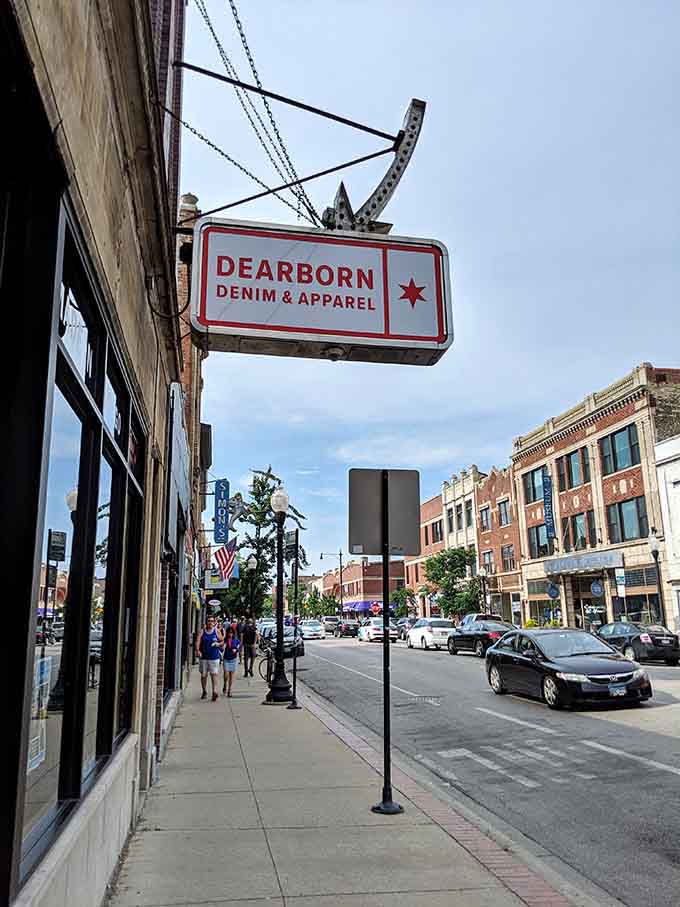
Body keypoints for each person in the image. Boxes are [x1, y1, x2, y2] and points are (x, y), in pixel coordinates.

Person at [195, 616, 223, 701]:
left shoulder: (216, 631)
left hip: (214, 657)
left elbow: (222, 641)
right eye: (209, 621)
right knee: (204, 675)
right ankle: (204, 691)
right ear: (206, 622)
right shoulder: (202, 631)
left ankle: (214, 692)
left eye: (212, 621)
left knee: (214, 674)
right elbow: (198, 641)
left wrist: (218, 644)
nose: (210, 622)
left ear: (214, 622)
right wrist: (198, 650)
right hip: (204, 657)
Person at [222, 625, 240, 697]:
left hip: (233, 659)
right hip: (226, 658)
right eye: (229, 633)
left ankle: (230, 690)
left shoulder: (236, 640)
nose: (230, 634)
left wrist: (236, 650)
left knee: (232, 675)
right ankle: (225, 683)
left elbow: (238, 647)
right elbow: (222, 647)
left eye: (232, 633)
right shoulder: (225, 640)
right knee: (226, 674)